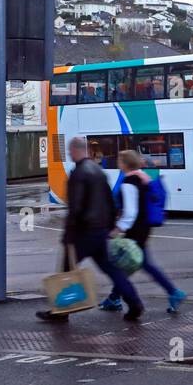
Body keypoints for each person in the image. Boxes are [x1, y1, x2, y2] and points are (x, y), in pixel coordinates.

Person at [57, 136, 144, 322]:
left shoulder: (79, 173)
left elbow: (76, 207)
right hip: (101, 231)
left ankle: (61, 310)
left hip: (84, 232)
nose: (70, 154)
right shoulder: (98, 170)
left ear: (74, 151)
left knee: (67, 269)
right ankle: (135, 303)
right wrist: (110, 227)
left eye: (70, 151)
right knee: (112, 269)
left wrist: (69, 234)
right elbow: (110, 202)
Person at [99, 149, 187, 315]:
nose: (118, 163)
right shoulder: (142, 178)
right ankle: (114, 298)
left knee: (127, 264)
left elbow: (130, 212)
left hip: (135, 230)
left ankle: (173, 292)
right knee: (130, 264)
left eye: (119, 160)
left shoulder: (128, 184)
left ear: (123, 164)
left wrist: (117, 229)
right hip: (144, 227)